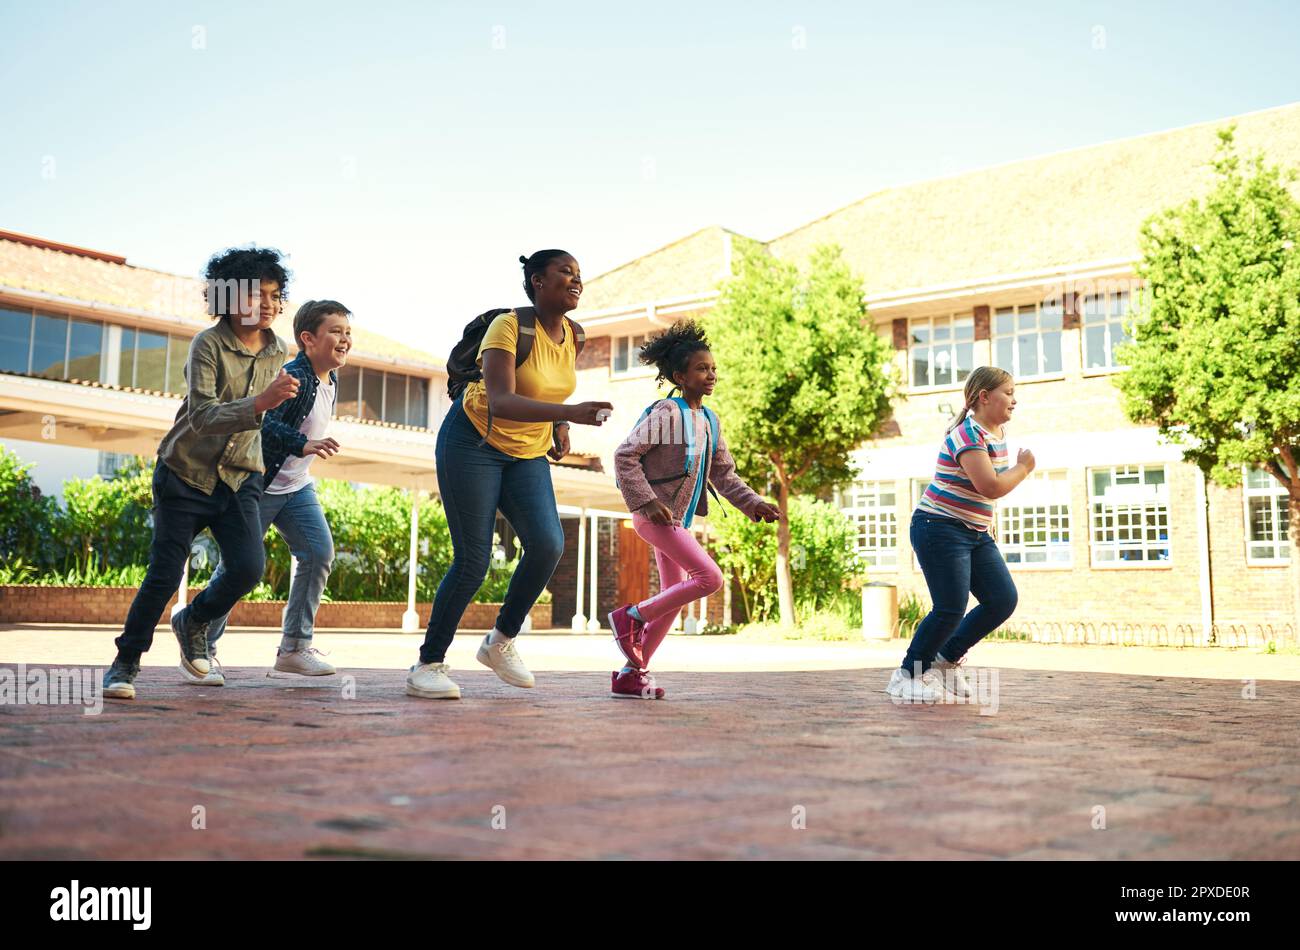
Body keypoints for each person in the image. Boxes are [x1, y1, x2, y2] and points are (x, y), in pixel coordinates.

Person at [405, 250, 613, 700]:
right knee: (474, 559)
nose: (576, 281)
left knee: (548, 543)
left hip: (527, 452)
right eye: (565, 273)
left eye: (580, 275)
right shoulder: (509, 326)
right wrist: (570, 414)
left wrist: (558, 425)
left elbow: (547, 385)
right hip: (473, 442)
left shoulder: (574, 336)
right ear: (538, 281)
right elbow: (501, 399)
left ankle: (499, 642)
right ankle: (428, 664)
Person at [102, 247, 298, 699]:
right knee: (164, 575)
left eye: (274, 295)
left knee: (248, 568)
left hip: (239, 477)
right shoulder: (207, 344)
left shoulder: (278, 349)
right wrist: (261, 404)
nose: (267, 304)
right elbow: (203, 416)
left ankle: (193, 619)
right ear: (229, 299)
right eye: (256, 295)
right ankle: (125, 663)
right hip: (185, 474)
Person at [609, 320, 780, 699]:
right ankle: (630, 617)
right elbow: (625, 455)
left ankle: (631, 674)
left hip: (676, 520)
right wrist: (646, 501)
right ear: (679, 376)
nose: (711, 375)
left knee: (673, 596)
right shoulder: (669, 413)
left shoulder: (710, 421)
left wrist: (753, 504)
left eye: (713, 368)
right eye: (701, 368)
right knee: (709, 578)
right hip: (653, 516)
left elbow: (724, 474)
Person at [203, 300, 353, 681]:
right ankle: (200, 646)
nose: (345, 339)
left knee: (318, 552)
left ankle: (294, 650)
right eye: (336, 331)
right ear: (307, 339)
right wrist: (301, 444)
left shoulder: (330, 380)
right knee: (238, 567)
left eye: (348, 332)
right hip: (260, 484)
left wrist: (304, 452)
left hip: (296, 486)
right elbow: (263, 421)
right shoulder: (293, 375)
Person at [886, 365, 1033, 704]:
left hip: (973, 532)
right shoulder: (968, 436)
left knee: (1002, 599)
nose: (1014, 400)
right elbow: (990, 486)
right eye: (1008, 393)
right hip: (938, 527)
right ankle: (906, 675)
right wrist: (1023, 468)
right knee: (950, 606)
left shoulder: (994, 437)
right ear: (984, 397)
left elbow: (979, 495)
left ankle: (945, 660)